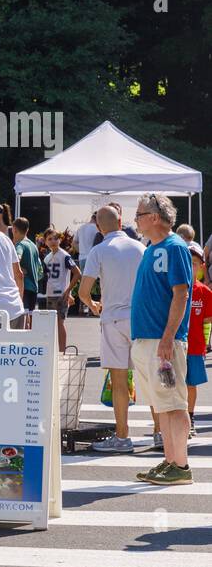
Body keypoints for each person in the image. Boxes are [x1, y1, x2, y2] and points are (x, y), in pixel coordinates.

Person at [130, 193, 193, 485]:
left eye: (140, 214)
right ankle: (170, 460)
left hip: (162, 341)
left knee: (173, 402)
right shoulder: (151, 248)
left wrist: (168, 337)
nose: (136, 220)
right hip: (148, 340)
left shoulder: (174, 247)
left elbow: (182, 293)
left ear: (154, 217)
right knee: (162, 404)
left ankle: (180, 465)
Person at [81, 205, 146, 453]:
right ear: (121, 222)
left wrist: (94, 304)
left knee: (119, 380)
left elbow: (84, 292)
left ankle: (122, 436)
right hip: (141, 318)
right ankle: (160, 432)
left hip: (112, 318)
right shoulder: (140, 247)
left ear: (99, 227)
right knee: (148, 377)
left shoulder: (99, 251)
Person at [185, 243, 210, 437]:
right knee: (172, 385)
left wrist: (205, 344)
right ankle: (175, 421)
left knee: (190, 385)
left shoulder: (205, 293)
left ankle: (190, 417)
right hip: (174, 346)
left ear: (202, 266)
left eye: (195, 263)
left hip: (195, 348)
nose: (190, 266)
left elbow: (207, 321)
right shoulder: (173, 289)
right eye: (187, 261)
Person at [41, 230, 81, 352]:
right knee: (51, 325)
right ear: (45, 242)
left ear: (60, 240)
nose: (53, 241)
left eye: (55, 238)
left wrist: (68, 290)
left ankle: (61, 352)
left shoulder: (64, 256)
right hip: (50, 293)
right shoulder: (47, 258)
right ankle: (53, 351)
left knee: (60, 323)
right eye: (49, 239)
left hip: (60, 294)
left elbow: (77, 273)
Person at [11, 218, 43, 327]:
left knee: (24, 321)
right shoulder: (33, 246)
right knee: (31, 320)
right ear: (27, 230)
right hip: (34, 287)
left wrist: (17, 267)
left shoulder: (20, 245)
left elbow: (16, 259)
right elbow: (40, 269)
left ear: (14, 230)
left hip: (24, 287)